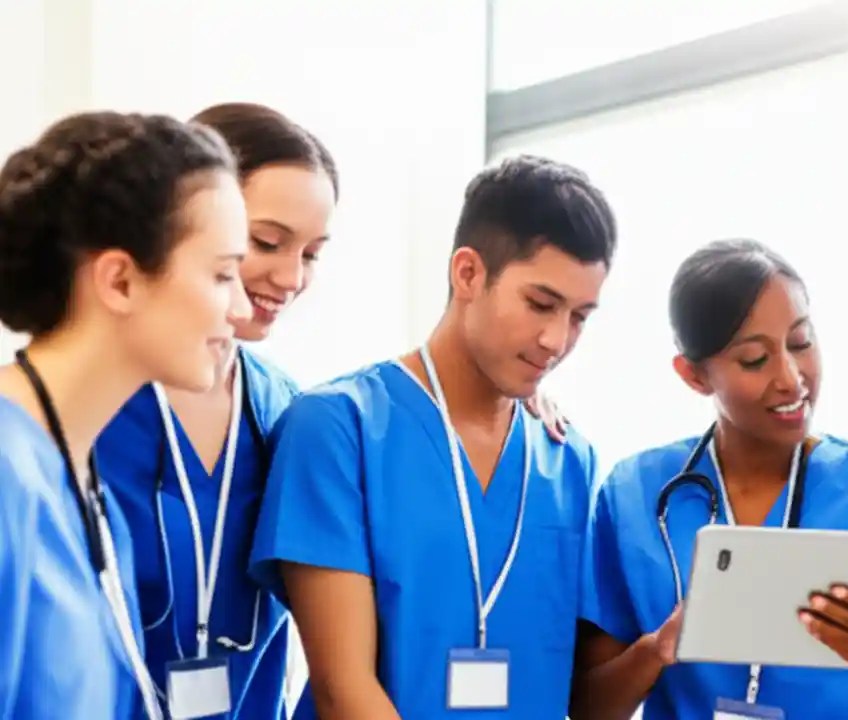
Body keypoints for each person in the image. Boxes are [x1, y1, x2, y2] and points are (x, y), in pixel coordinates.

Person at [248, 154, 617, 719]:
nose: (556, 339)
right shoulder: (338, 428)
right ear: (468, 274)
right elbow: (343, 688)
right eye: (540, 304)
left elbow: (578, 685)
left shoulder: (568, 458)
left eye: (580, 316)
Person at [571, 239, 848, 719]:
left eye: (801, 343)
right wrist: (657, 648)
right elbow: (590, 709)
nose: (790, 377)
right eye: (753, 359)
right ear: (694, 376)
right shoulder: (633, 495)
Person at [0, 111, 250, 719]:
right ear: (120, 282)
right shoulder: (8, 476)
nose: (241, 309)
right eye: (222, 274)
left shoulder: (90, 493)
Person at [93, 102, 338, 720]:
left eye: (311, 254)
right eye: (267, 242)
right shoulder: (86, 407)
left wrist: (517, 398)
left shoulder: (290, 412)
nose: (291, 277)